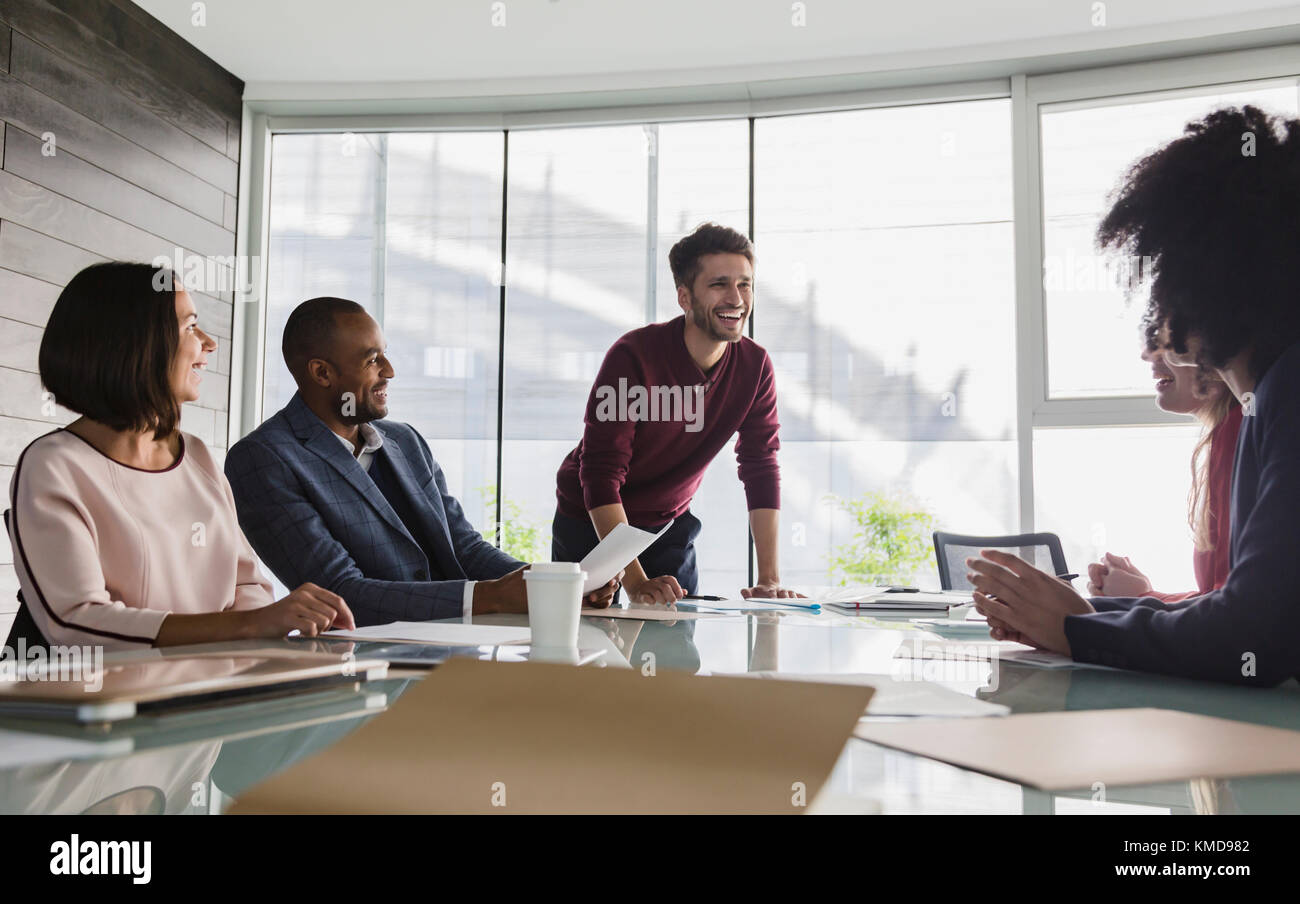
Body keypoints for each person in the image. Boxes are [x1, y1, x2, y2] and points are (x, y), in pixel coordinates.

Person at [967, 105, 1300, 685]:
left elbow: (1254, 632)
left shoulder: (1286, 392)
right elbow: (1241, 607)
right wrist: (1084, 615)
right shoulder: (1267, 397)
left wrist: (1079, 630)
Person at [5, 262, 352, 650]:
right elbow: (77, 622)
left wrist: (259, 632)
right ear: (135, 344)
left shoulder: (197, 456)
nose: (209, 342)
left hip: (206, 687)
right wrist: (249, 626)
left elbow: (246, 583)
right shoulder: (54, 465)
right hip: (98, 702)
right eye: (189, 326)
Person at [225, 297, 618, 626]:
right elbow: (341, 593)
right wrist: (490, 598)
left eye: (385, 355)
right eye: (372, 360)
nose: (389, 372)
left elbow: (463, 548)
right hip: (368, 670)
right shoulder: (263, 459)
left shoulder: (405, 440)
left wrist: (556, 585)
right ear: (322, 373)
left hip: (464, 648)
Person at [551, 223, 801, 604]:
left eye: (745, 284)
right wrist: (634, 582)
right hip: (591, 521)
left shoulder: (755, 366)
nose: (736, 298)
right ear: (685, 297)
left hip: (668, 525)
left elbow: (760, 464)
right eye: (719, 284)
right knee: (588, 649)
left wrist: (769, 578)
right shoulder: (632, 356)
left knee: (674, 654)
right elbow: (601, 474)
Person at [1086, 337, 1242, 600]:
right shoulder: (1235, 427)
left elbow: (1233, 616)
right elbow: (1224, 601)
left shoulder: (1236, 431)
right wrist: (1145, 596)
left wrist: (1145, 599)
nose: (1147, 355)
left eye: (1171, 339)